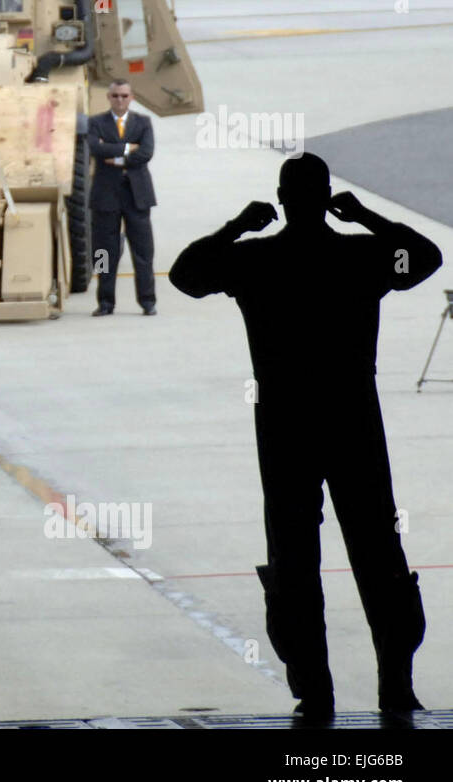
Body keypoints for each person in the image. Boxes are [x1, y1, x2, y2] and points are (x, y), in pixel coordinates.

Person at [169, 153, 442, 718]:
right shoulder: (360, 255)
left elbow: (186, 275)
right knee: (378, 553)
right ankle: (395, 683)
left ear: (282, 199)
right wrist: (365, 215)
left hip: (286, 424)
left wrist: (238, 226)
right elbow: (425, 257)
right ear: (326, 200)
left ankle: (314, 692)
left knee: (294, 560)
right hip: (353, 420)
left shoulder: (256, 259)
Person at [87, 79, 157, 315]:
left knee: (143, 250)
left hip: (137, 195)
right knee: (103, 252)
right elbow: (96, 149)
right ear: (109, 98)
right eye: (115, 95)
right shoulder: (95, 122)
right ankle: (105, 302)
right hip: (106, 195)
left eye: (124, 96)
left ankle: (148, 301)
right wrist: (129, 148)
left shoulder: (143, 123)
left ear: (132, 97)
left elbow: (146, 153)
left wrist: (116, 156)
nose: (119, 100)